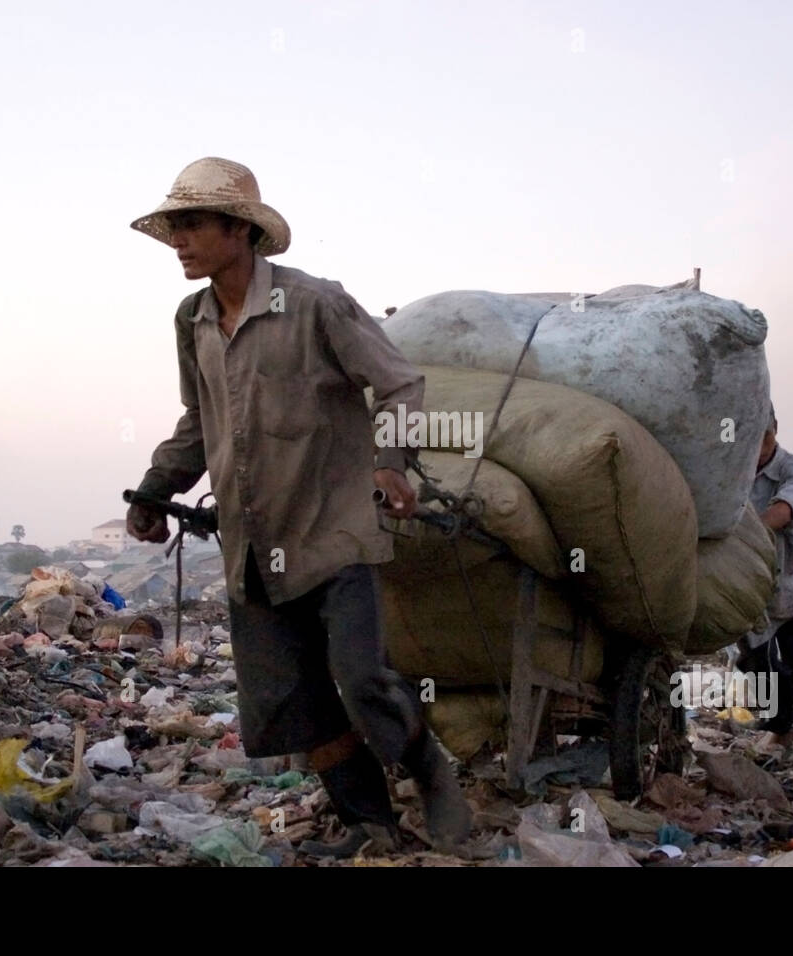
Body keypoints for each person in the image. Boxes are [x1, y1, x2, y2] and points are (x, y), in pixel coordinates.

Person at [124, 157, 472, 855]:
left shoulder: (315, 303)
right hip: (252, 546)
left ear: (238, 229)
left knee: (362, 680)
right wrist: (157, 487)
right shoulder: (191, 319)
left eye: (191, 225)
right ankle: (370, 823)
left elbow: (400, 385)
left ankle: (430, 771)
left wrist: (389, 462)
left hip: (333, 533)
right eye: (174, 227)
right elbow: (200, 421)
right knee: (291, 703)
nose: (179, 241)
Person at [737, 407, 793, 757]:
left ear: (776, 429)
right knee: (758, 666)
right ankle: (779, 729)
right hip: (747, 591)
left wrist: (744, 530)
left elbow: (785, 510)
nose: (759, 446)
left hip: (789, 589)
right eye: (752, 437)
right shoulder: (732, 468)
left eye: (766, 436)